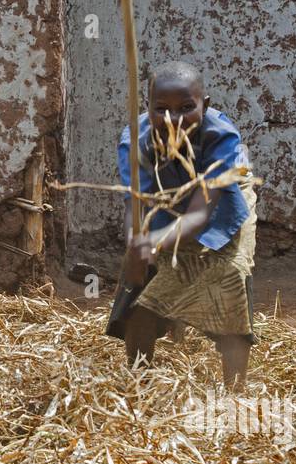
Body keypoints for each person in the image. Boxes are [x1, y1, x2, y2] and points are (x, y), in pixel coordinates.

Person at [106, 61, 258, 389]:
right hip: (164, 207)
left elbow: (201, 214)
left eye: (186, 109)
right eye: (161, 110)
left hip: (222, 206)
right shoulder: (135, 142)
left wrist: (155, 242)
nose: (173, 120)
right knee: (141, 289)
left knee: (229, 276)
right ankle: (139, 384)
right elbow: (138, 205)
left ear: (206, 105)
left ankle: (235, 391)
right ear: (148, 109)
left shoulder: (221, 137)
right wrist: (137, 243)